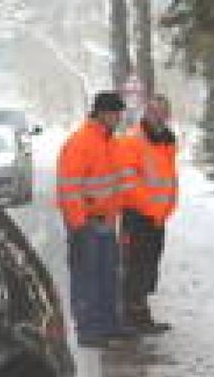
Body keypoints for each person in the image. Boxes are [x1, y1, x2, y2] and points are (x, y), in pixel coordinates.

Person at [56, 91, 137, 349]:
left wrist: (117, 218)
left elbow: (113, 186)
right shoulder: (81, 143)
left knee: (107, 276)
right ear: (102, 113)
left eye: (120, 114)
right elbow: (69, 188)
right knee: (86, 276)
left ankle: (109, 324)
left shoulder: (110, 142)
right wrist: (78, 224)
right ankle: (88, 328)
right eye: (115, 113)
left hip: (105, 223)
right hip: (86, 223)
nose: (118, 118)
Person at [118, 94, 178, 332]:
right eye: (154, 112)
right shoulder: (132, 142)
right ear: (146, 114)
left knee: (149, 267)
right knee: (134, 266)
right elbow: (128, 183)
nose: (159, 117)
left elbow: (167, 179)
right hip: (136, 216)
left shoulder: (166, 142)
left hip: (157, 217)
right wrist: (152, 209)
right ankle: (129, 317)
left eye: (163, 112)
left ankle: (141, 316)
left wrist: (165, 208)